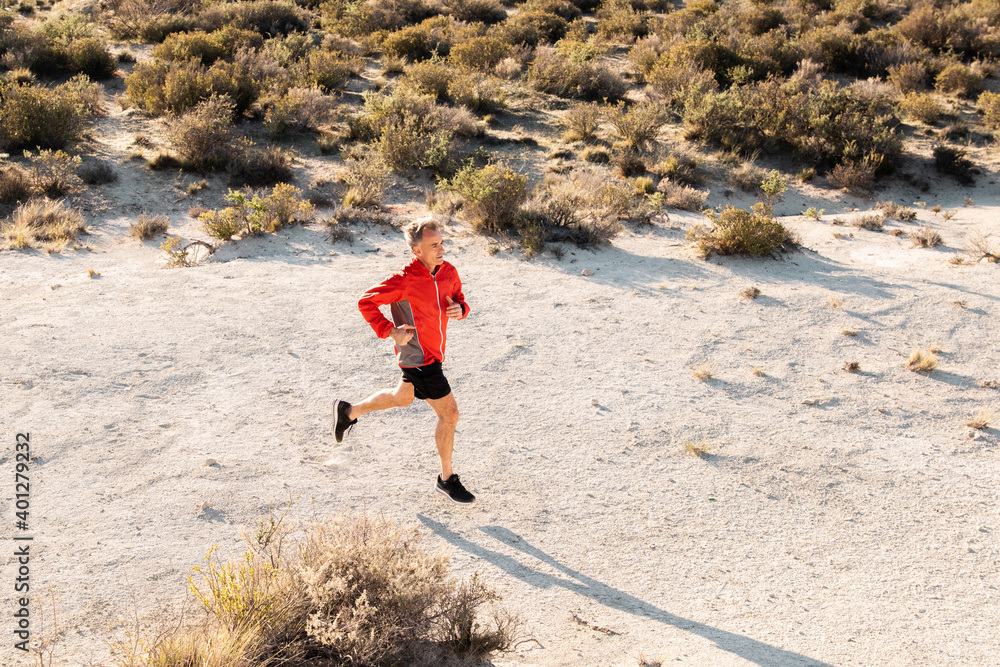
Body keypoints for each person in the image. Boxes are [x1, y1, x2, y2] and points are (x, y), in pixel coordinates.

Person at [332, 218, 476, 504]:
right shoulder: (404, 280)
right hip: (419, 358)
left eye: (442, 243)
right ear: (416, 250)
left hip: (434, 353)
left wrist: (462, 308)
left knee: (402, 397)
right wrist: (390, 331)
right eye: (434, 245)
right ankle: (446, 479)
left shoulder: (448, 271)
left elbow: (458, 298)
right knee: (449, 415)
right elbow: (365, 302)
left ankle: (348, 411)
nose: (441, 249)